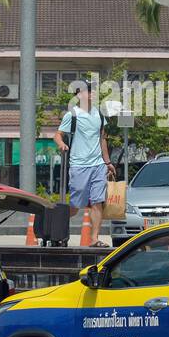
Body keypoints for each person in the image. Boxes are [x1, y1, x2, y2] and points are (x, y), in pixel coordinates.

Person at [54, 81, 115, 247]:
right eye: (89, 91)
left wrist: (107, 162)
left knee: (97, 202)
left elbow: (102, 139)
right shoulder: (72, 115)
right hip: (79, 164)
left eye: (93, 91)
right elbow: (57, 135)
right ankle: (56, 228)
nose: (92, 94)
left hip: (97, 165)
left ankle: (94, 239)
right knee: (76, 205)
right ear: (79, 95)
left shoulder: (99, 115)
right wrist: (61, 144)